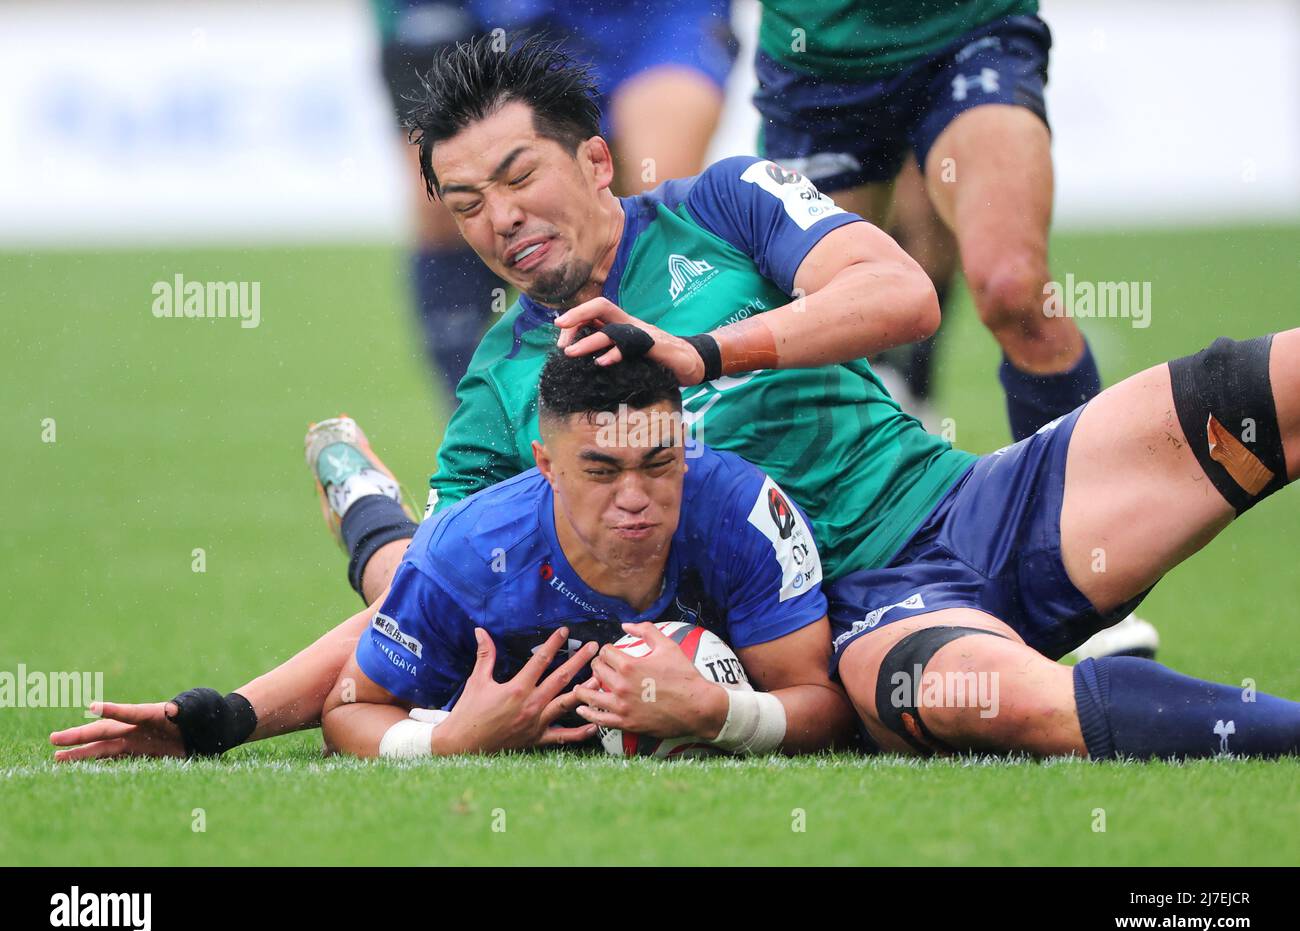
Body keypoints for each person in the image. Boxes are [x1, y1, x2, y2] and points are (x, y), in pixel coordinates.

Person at [52, 36, 1300, 762]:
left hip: (976, 499)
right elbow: (439, 584)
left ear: (593, 159)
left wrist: (706, 355)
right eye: (465, 202)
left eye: (518, 175)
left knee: (1265, 385)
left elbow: (902, 298)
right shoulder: (504, 389)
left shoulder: (727, 205)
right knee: (1020, 704)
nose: (500, 220)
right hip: (860, 616)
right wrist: (223, 717)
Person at [751, 0, 1158, 660]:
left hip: (971, 30)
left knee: (1013, 289)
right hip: (818, 56)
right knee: (809, 332)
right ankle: (832, 599)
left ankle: (1093, 581)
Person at [322, 345, 853, 758]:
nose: (634, 499)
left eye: (658, 464)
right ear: (547, 466)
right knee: (396, 572)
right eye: (601, 471)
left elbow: (824, 706)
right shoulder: (465, 553)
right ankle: (364, 500)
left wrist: (717, 713)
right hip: (457, 556)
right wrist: (451, 741)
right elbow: (350, 710)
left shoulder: (746, 514)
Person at [372, 0, 737, 396]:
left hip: (652, 14)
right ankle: (479, 417)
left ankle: (671, 395)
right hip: (488, 15)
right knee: (444, 201)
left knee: (659, 169)